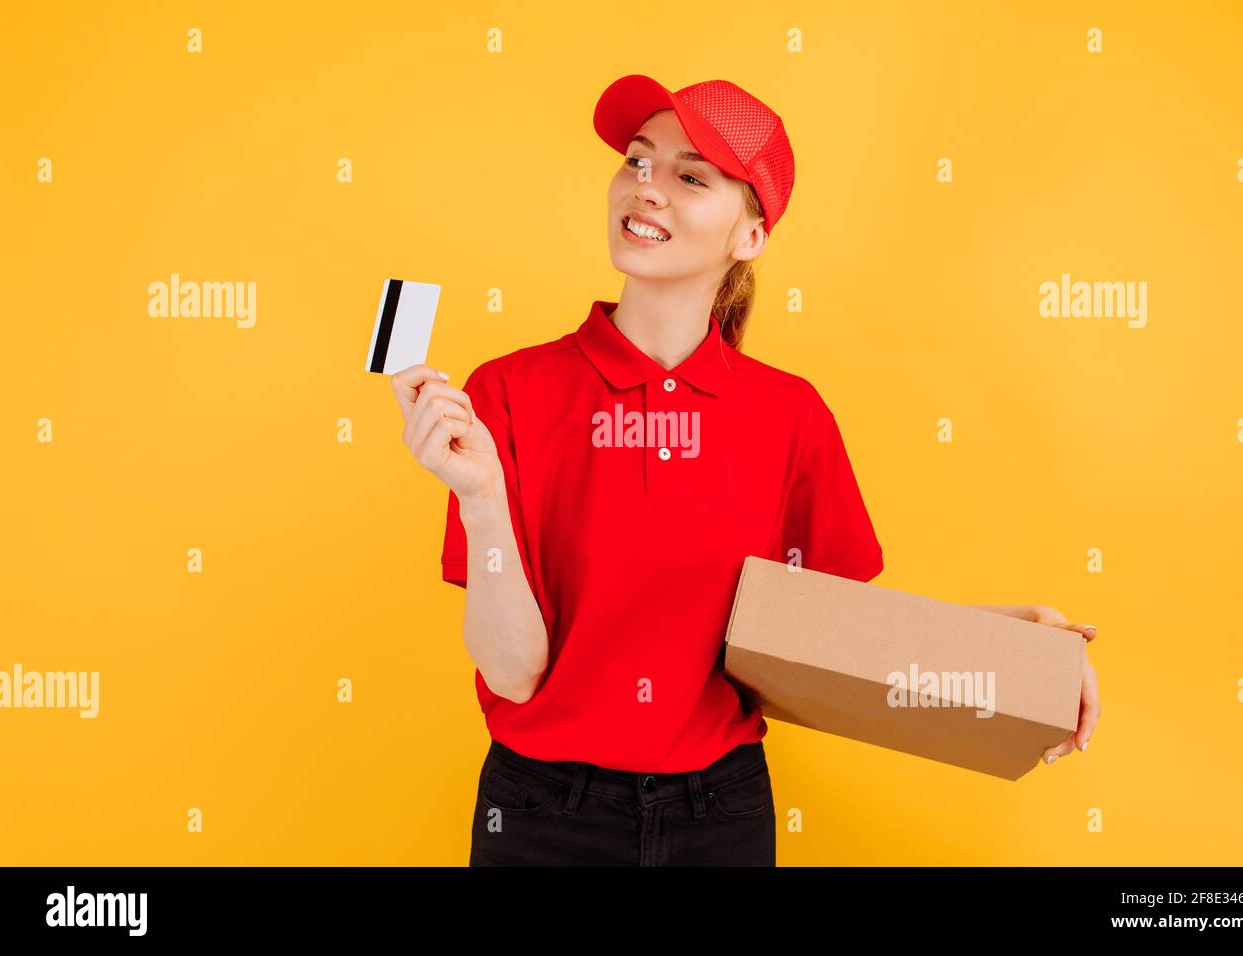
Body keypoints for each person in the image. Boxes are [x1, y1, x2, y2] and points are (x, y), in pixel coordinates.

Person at [390, 74, 1102, 867]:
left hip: (718, 816)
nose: (646, 186)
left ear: (750, 236)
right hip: (542, 815)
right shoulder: (507, 394)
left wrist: (1025, 648)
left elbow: (834, 645)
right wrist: (483, 499)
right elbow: (515, 677)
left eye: (690, 176)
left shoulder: (789, 416)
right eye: (636, 160)